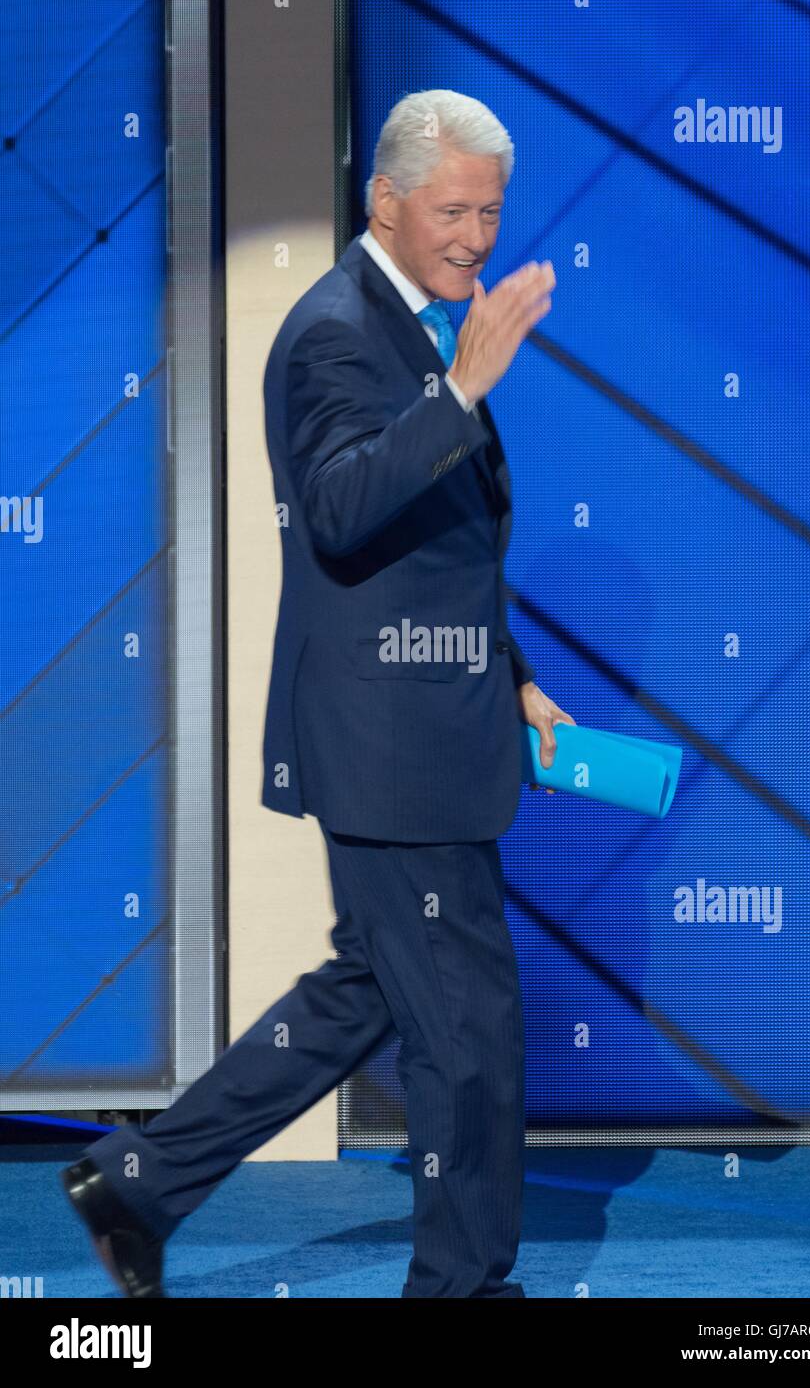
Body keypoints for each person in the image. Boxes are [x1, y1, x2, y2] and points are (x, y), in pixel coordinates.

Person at [61, 88, 574, 1299]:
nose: (476, 238)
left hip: (431, 727)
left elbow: (438, 553)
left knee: (371, 995)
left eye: (491, 211)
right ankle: (460, 1287)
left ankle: (136, 1180)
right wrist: (462, 393)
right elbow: (342, 511)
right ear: (380, 202)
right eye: (453, 209)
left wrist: (511, 678)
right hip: (391, 750)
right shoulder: (336, 331)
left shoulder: (409, 325)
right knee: (464, 1033)